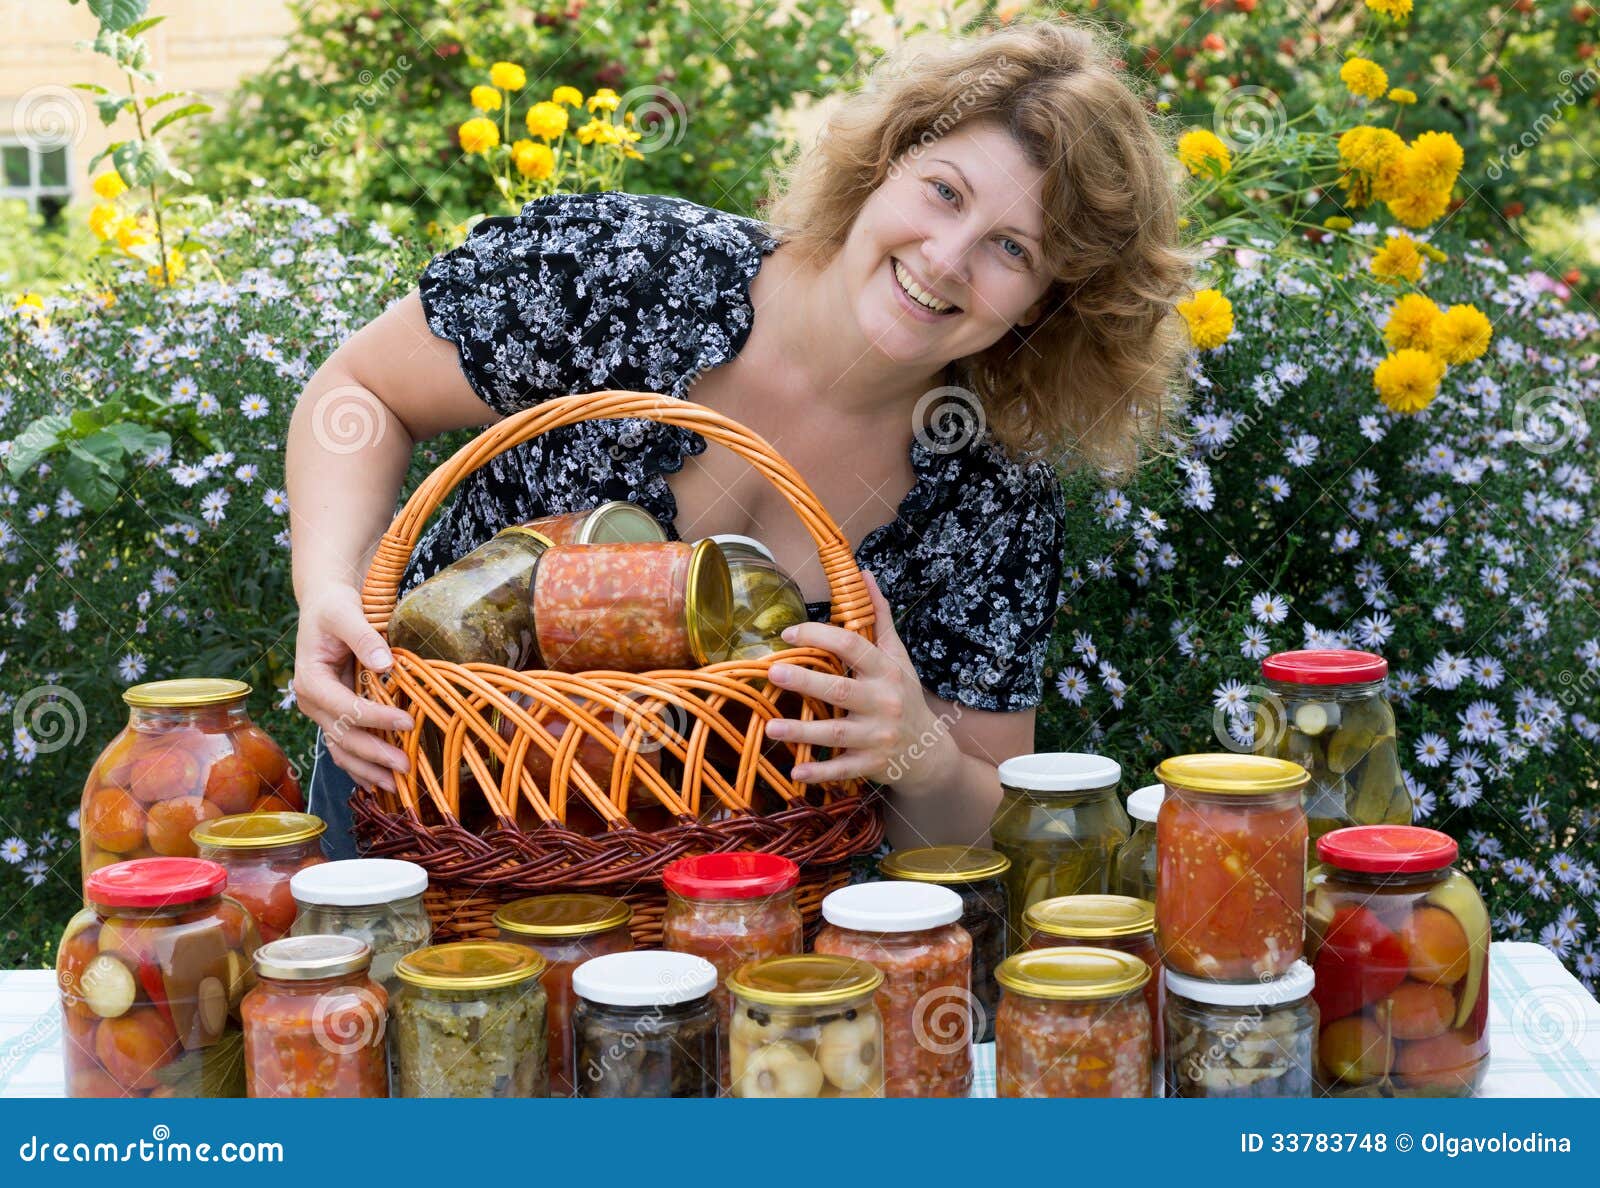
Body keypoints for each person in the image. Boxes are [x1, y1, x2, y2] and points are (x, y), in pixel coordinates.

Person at [286, 16, 1193, 860]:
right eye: (943, 192)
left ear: (1053, 305)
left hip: (720, 937)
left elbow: (970, 836)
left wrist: (917, 754)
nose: (947, 258)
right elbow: (358, 393)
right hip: (408, 817)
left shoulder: (990, 495)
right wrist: (326, 590)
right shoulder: (627, 270)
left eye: (1013, 251)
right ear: (883, 163)